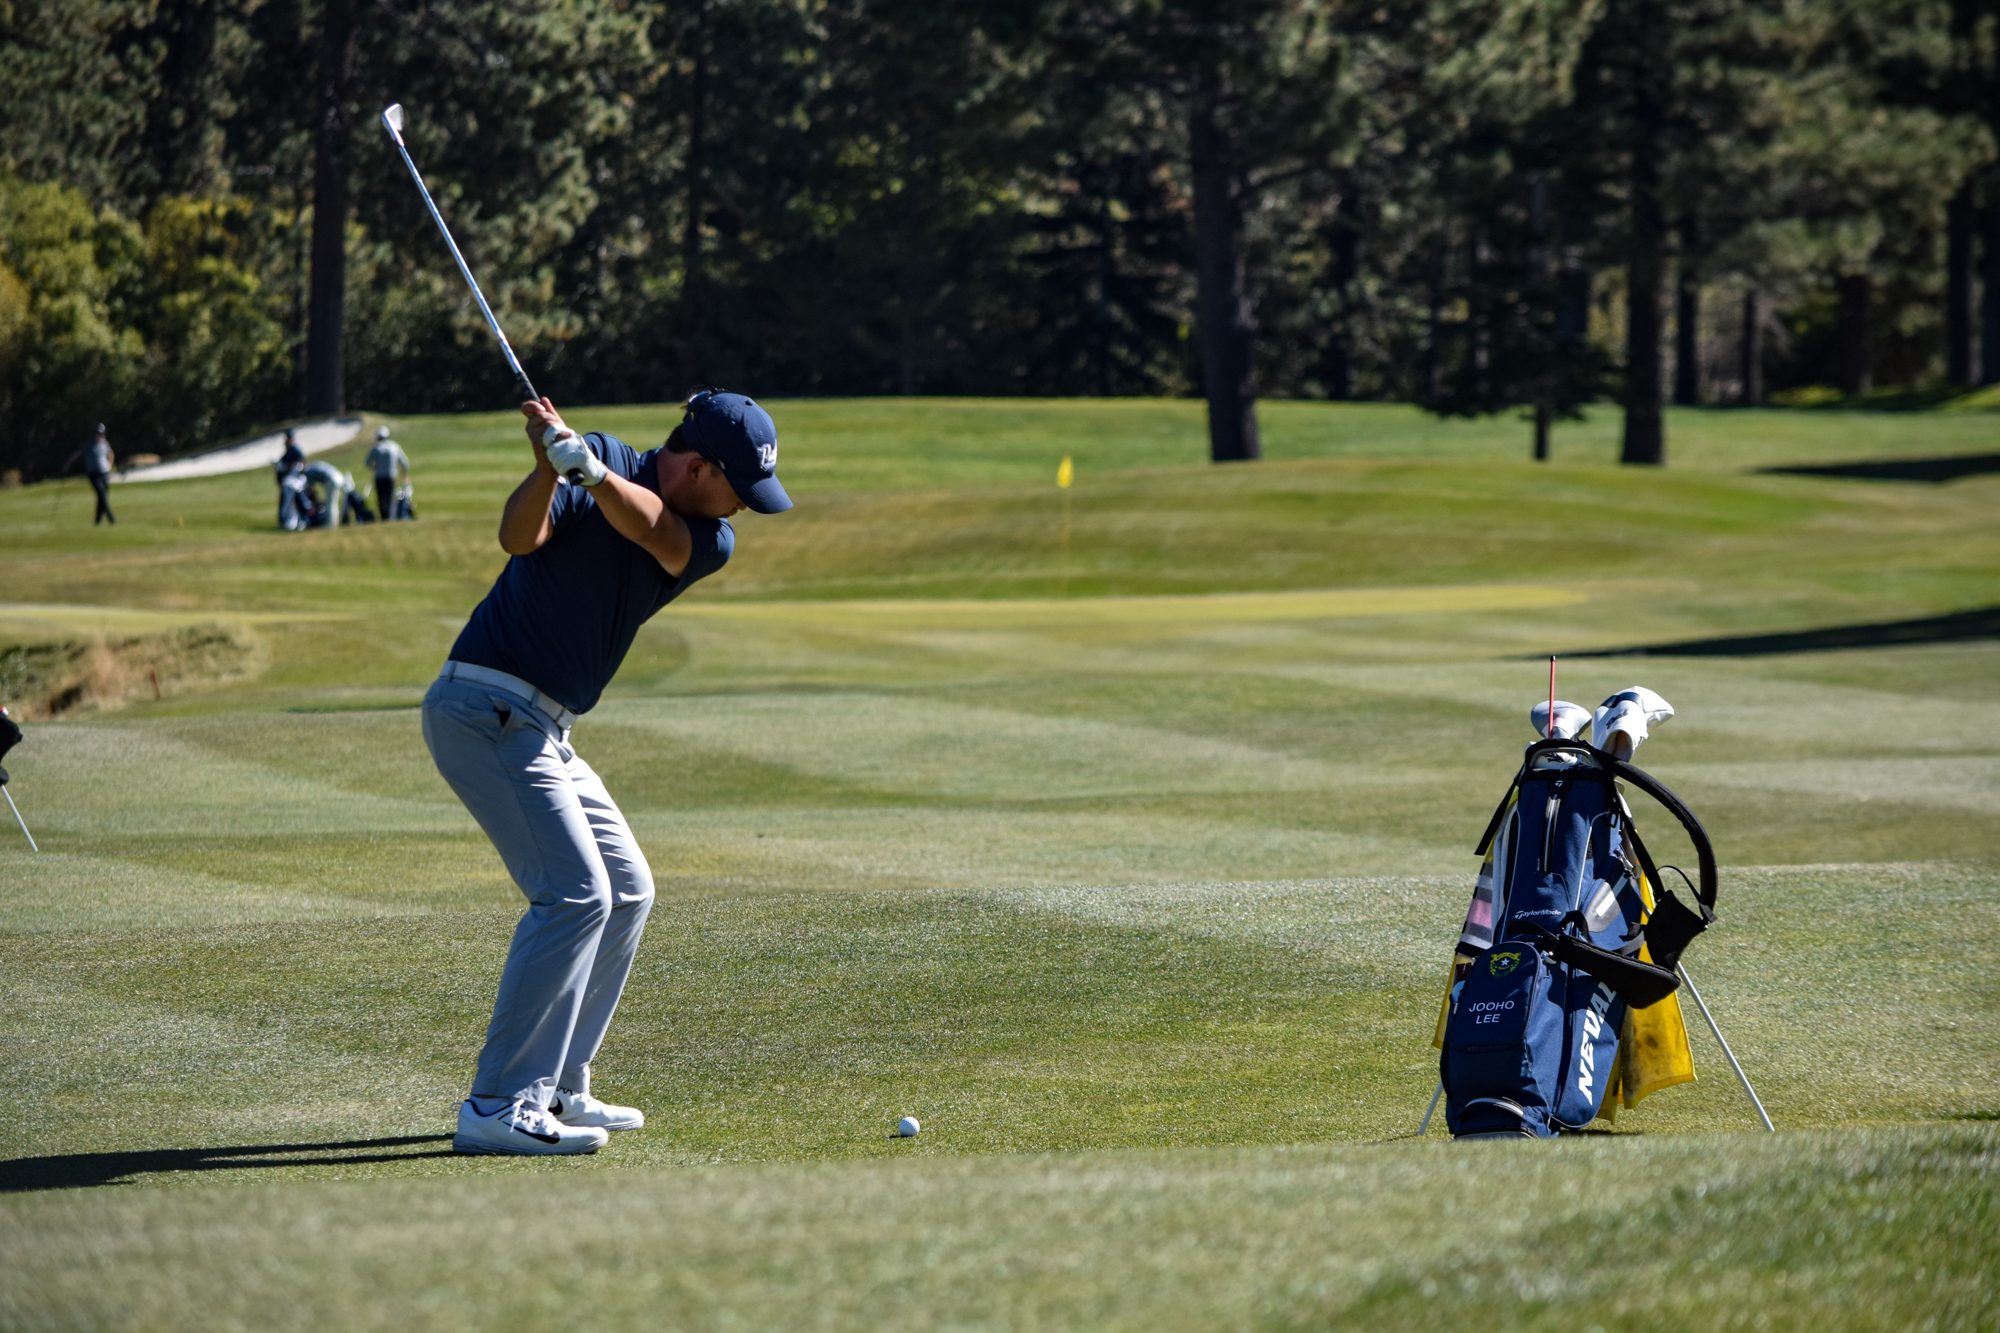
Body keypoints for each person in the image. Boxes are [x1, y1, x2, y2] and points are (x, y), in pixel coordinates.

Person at [426, 389, 791, 1156]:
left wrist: (586, 472)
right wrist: (544, 468)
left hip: (544, 727)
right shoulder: (600, 461)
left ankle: (560, 1085)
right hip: (483, 706)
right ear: (697, 465)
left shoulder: (705, 535)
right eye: (739, 490)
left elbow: (651, 527)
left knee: (628, 889)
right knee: (575, 894)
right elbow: (517, 537)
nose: (745, 510)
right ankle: (499, 1103)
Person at [65, 425, 116, 525]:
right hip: (93, 474)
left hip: (104, 473)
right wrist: (67, 465)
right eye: (98, 433)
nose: (100, 435)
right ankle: (111, 517)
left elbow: (111, 454)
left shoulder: (105, 443)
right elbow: (77, 454)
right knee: (102, 494)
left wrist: (110, 465)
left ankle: (98, 520)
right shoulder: (89, 444)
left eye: (102, 433)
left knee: (103, 496)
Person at [366, 426, 409, 521]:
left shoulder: (376, 448)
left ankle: (384, 518)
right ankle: (389, 518)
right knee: (389, 498)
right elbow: (405, 463)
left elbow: (367, 462)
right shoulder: (394, 446)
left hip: (379, 477)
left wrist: (375, 467)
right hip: (391, 476)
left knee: (381, 499)